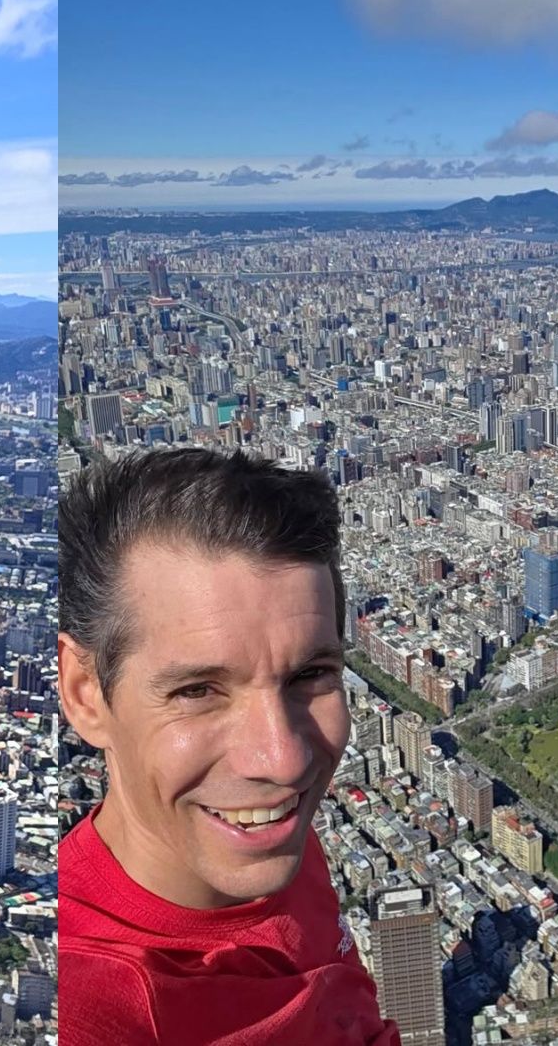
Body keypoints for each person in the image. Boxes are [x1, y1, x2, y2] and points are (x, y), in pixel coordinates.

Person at [55, 448, 400, 1046]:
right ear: (87, 696)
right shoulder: (94, 1007)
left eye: (309, 676)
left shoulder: (263, 836)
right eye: (197, 690)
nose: (283, 759)